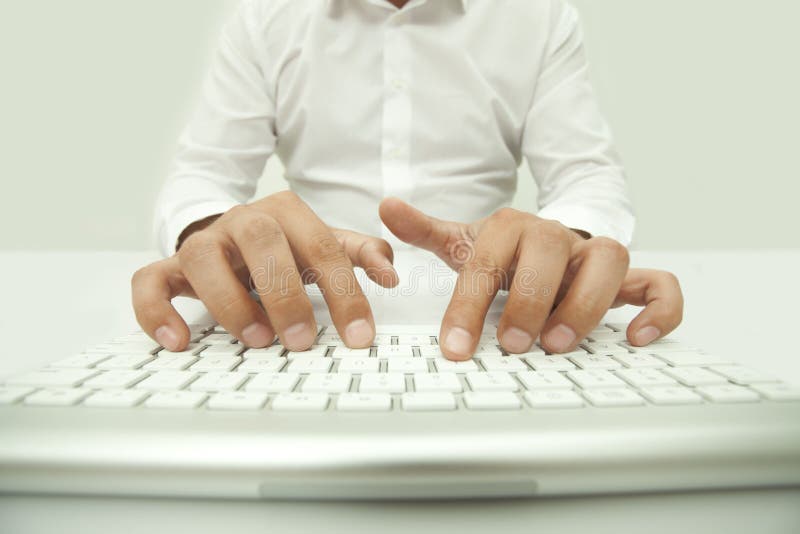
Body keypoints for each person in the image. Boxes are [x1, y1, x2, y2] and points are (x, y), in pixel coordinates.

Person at [131, 0, 684, 361]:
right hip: (300, 314)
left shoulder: (537, 15)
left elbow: (586, 174)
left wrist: (566, 244)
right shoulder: (266, 16)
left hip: (500, 318)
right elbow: (203, 175)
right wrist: (215, 236)